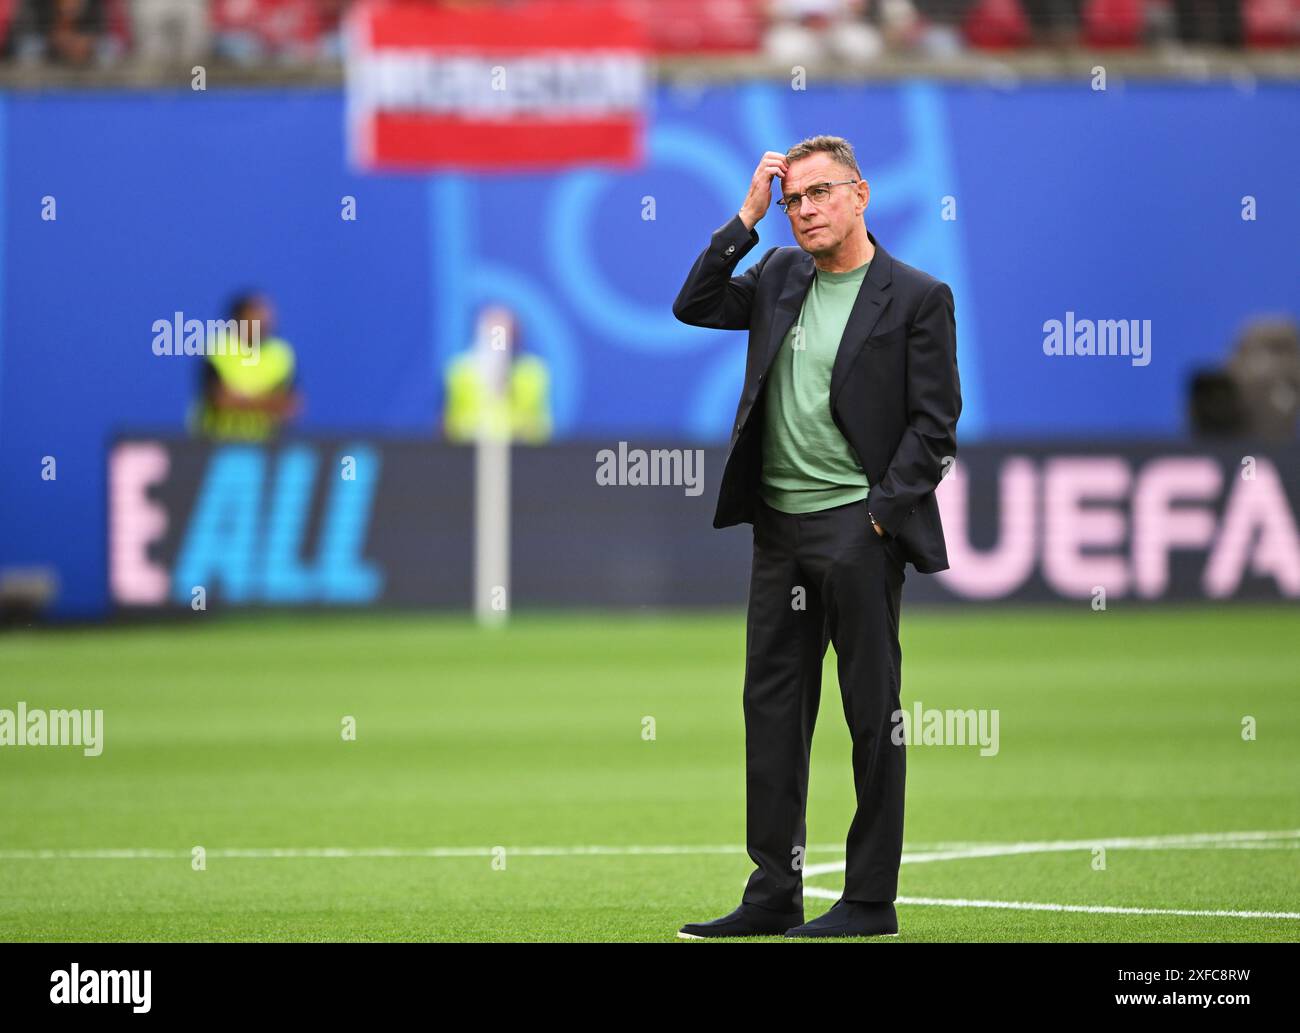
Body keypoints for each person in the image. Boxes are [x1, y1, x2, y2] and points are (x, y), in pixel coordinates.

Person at [672, 135, 961, 938]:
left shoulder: (916, 295)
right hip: (778, 530)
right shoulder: (776, 273)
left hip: (856, 531)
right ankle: (773, 892)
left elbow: (936, 426)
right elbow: (692, 304)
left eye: (820, 194)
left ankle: (869, 900)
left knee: (872, 714)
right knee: (771, 710)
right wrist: (745, 219)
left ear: (861, 194)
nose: (805, 210)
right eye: (794, 198)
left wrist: (879, 516)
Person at [191, 292, 301, 443]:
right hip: (216, 442)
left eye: (265, 318)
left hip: (266, 444)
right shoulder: (216, 348)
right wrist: (269, 402)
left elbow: (290, 405)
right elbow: (221, 401)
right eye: (254, 318)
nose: (263, 322)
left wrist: (240, 399)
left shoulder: (281, 353)